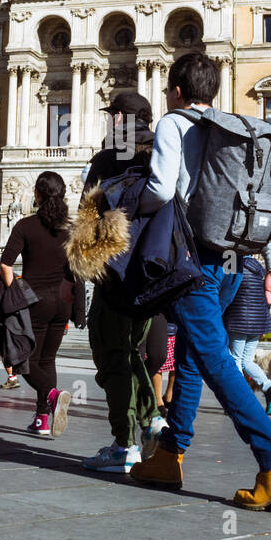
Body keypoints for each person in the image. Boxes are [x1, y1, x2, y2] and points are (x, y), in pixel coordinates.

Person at [128, 51, 271, 510]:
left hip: (194, 263)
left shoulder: (175, 123)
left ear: (179, 90)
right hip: (233, 262)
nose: (168, 96)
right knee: (189, 359)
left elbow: (164, 190)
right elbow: (255, 200)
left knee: (216, 363)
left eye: (169, 89)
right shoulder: (234, 128)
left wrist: (128, 208)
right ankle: (169, 456)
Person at [70, 91, 164, 470]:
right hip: (151, 272)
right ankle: (153, 419)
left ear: (122, 117)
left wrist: (80, 263)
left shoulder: (108, 158)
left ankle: (124, 445)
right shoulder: (162, 150)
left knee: (111, 355)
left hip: (112, 272)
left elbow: (85, 219)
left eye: (112, 115)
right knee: (133, 352)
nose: (110, 121)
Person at [0, 171, 80, 438]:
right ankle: (42, 419)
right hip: (64, 302)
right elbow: (77, 270)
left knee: (24, 360)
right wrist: (78, 309)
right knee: (47, 359)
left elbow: (6, 264)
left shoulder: (26, 225)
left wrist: (16, 293)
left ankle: (54, 395)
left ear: (37, 194)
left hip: (36, 301)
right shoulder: (70, 229)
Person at [224, 256, 271, 415]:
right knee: (246, 361)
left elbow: (228, 292)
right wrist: (263, 323)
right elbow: (265, 299)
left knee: (235, 359)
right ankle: (269, 387)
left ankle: (237, 399)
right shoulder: (259, 269)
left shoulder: (233, 264)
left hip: (238, 319)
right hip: (257, 321)